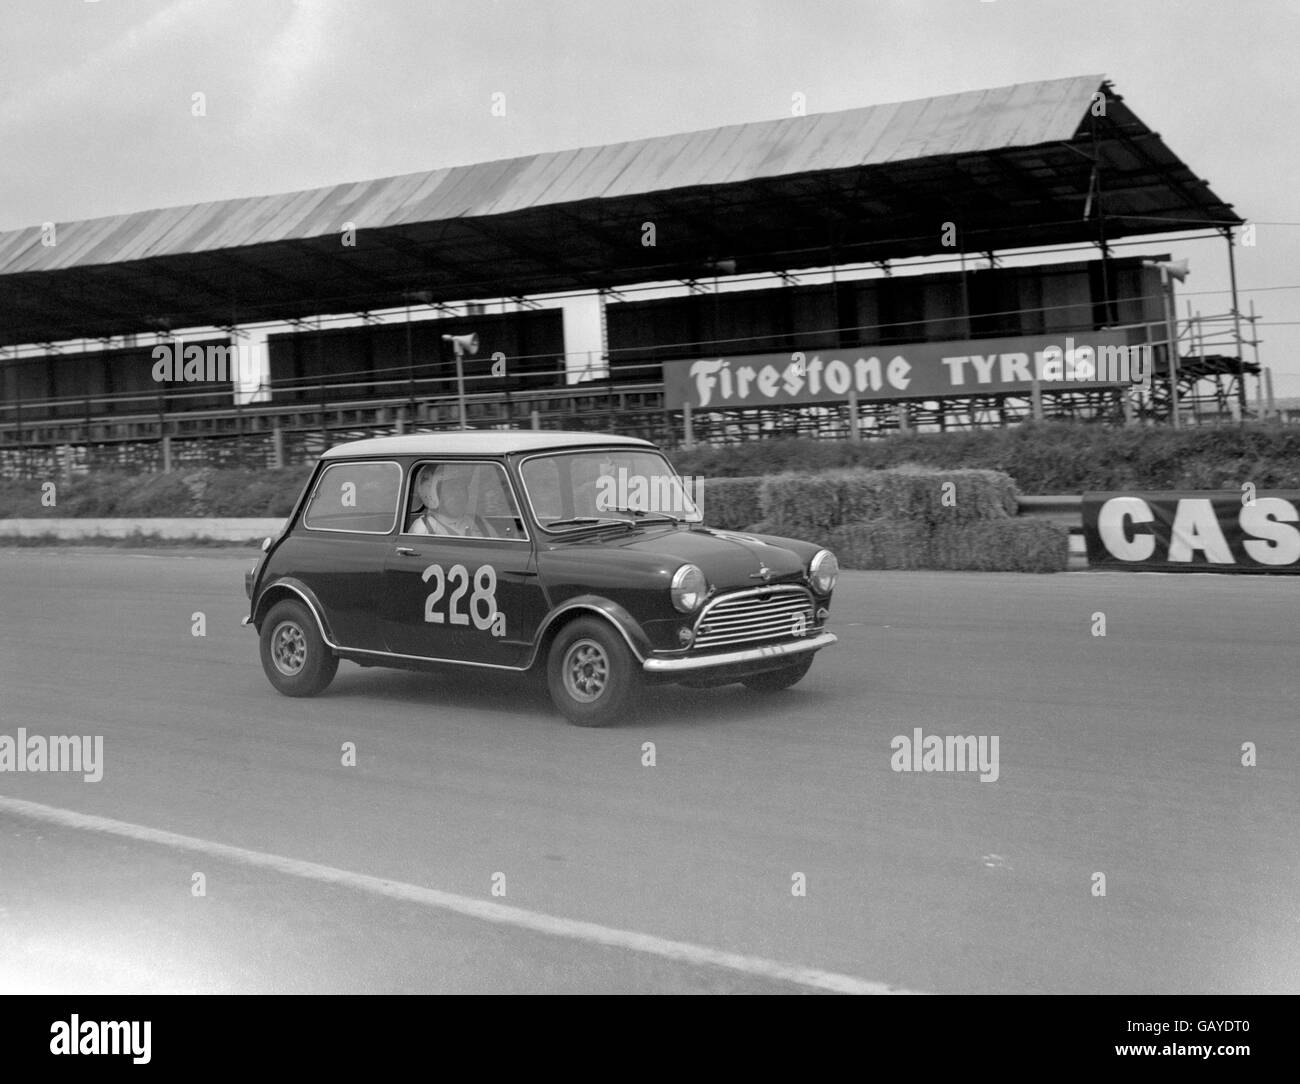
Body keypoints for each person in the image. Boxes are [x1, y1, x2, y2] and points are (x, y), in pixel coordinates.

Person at [408, 467, 491, 536]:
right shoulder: (425, 528)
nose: (460, 494)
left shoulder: (479, 522)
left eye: (462, 487)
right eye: (452, 489)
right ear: (432, 494)